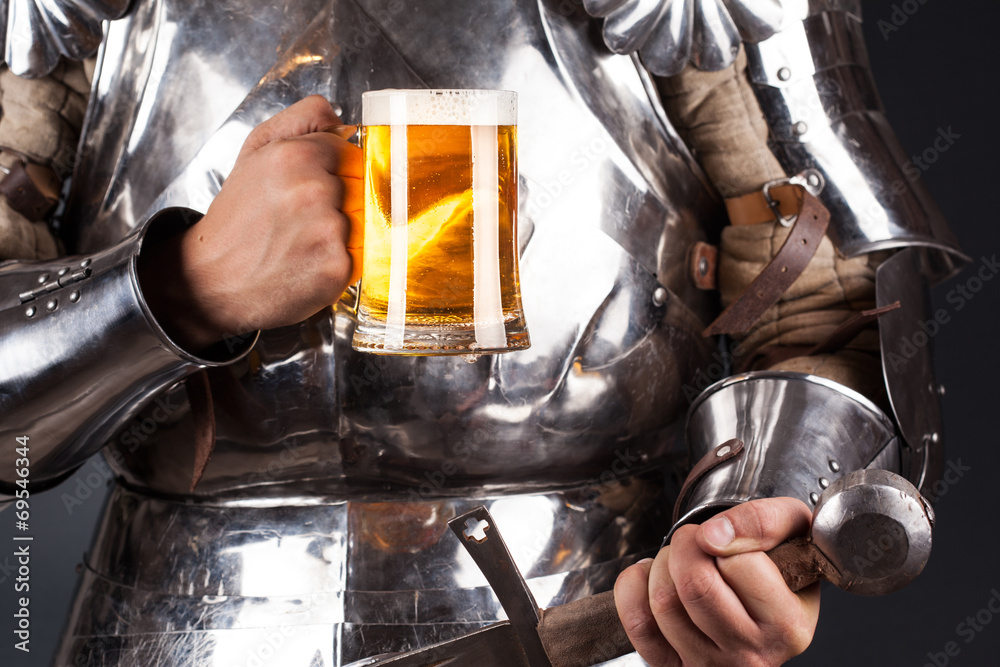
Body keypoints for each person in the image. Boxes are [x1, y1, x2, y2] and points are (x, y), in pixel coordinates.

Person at [0, 1, 963, 665]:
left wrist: (742, 530)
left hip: (596, 621)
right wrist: (183, 286)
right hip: (170, 629)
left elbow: (837, 302)